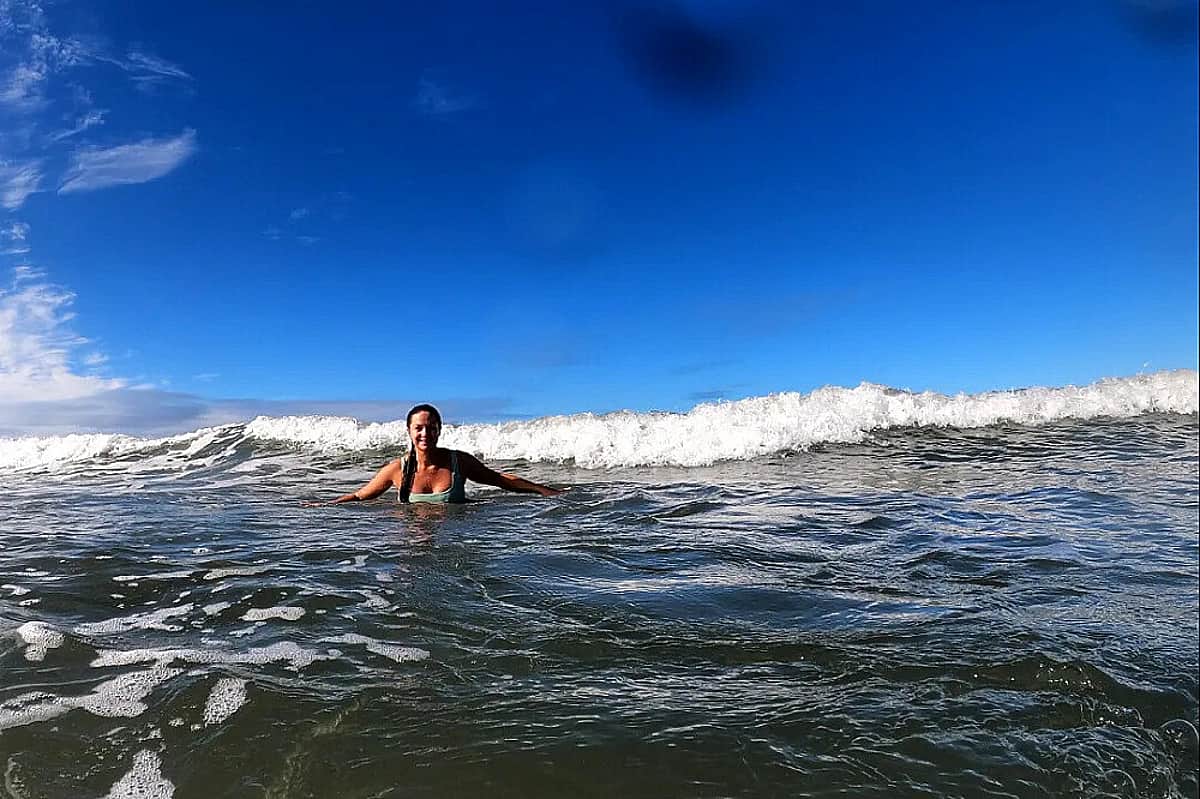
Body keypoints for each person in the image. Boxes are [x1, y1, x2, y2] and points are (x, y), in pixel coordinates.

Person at [317, 404, 562, 505]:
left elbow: (500, 479)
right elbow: (361, 496)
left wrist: (543, 490)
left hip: (452, 541)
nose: (425, 433)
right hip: (413, 544)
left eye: (432, 428)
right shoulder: (396, 470)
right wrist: (326, 504)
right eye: (419, 428)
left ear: (439, 430)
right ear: (409, 431)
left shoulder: (459, 462)